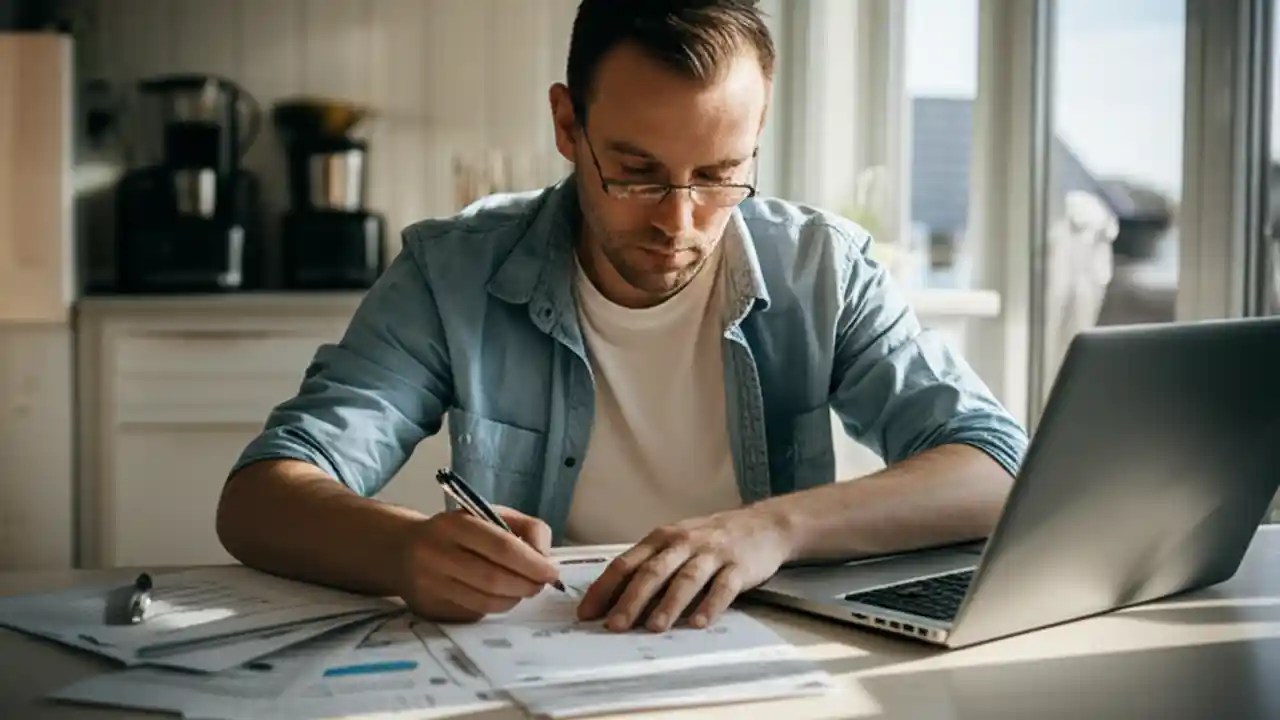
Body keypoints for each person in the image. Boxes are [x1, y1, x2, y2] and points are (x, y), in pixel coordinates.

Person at [216, 0, 1027, 634]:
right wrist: (400, 549)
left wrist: (773, 529)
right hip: (531, 662)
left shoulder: (825, 270)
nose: (679, 222)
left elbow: (997, 465)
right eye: (638, 174)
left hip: (763, 659)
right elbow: (259, 498)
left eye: (719, 173)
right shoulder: (453, 271)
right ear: (569, 126)